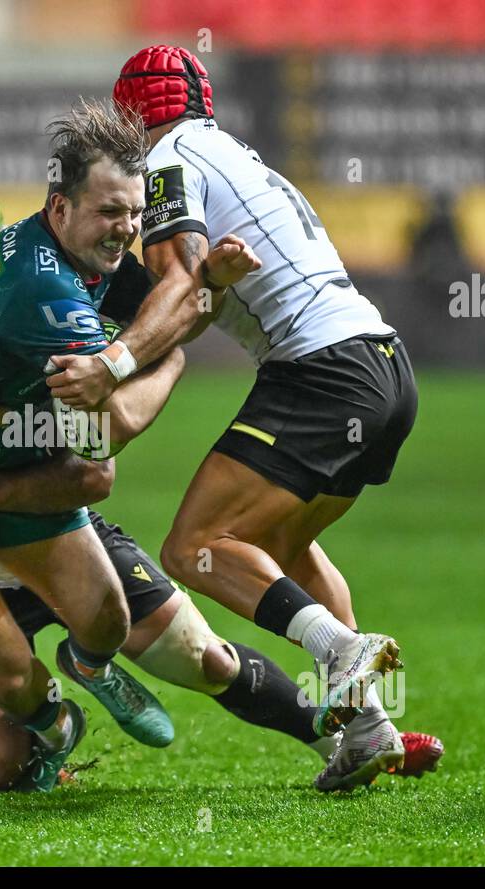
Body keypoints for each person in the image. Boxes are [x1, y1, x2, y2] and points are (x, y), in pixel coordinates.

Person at [0, 306, 444, 794]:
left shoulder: (50, 361)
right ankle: (51, 733)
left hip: (67, 543)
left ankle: (339, 743)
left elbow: (96, 478)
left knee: (206, 661)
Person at [45, 46, 420, 791]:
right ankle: (369, 728)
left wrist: (113, 364)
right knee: (285, 546)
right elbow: (200, 290)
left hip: (321, 369)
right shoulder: (230, 152)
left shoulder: (166, 161)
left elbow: (180, 287)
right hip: (384, 367)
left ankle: (342, 649)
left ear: (130, 117)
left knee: (195, 548)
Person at [0, 101, 249, 790]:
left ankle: (88, 666)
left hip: (1, 465)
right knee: (6, 677)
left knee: (107, 619)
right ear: (60, 209)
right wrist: (175, 355)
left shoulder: (58, 248)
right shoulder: (50, 294)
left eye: (132, 213)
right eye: (108, 213)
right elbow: (110, 426)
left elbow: (154, 306)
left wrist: (197, 292)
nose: (124, 229)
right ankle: (60, 723)